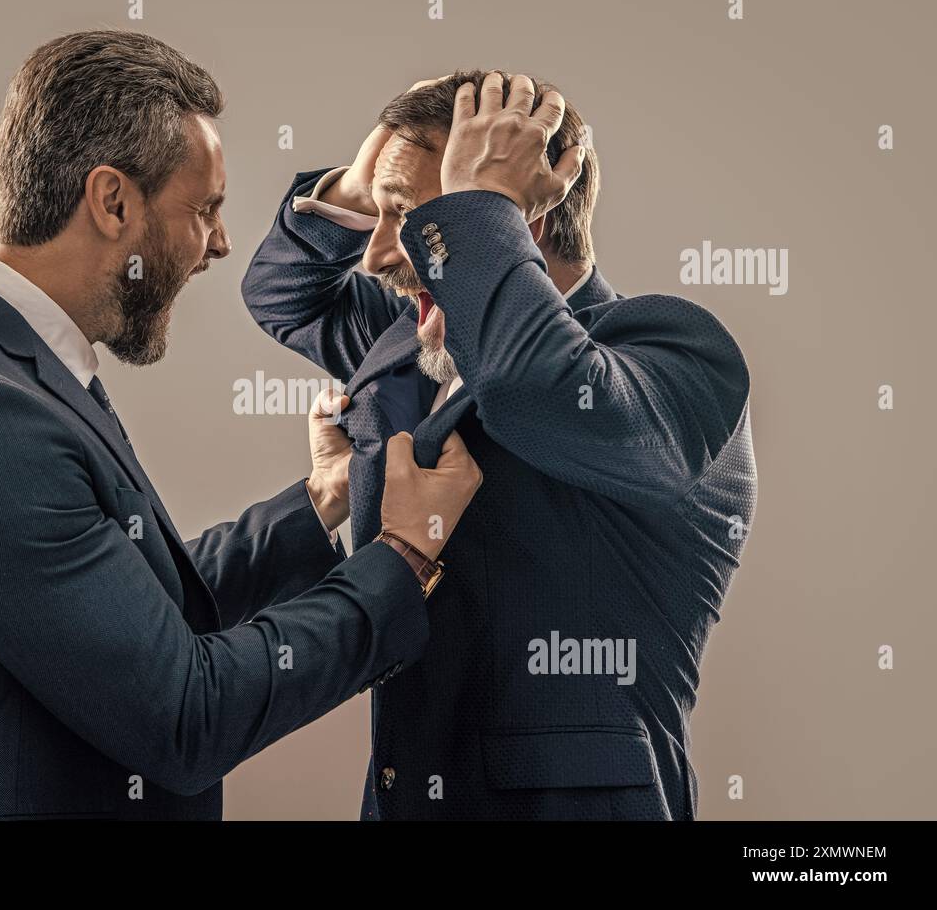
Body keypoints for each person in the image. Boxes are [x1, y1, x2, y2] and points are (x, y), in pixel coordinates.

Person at [0, 31, 480, 820]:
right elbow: (187, 716)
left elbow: (134, 615)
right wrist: (401, 555)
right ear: (112, 201)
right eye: (205, 210)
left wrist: (321, 498)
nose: (220, 244)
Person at [243, 71, 757, 819]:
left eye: (415, 219)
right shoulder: (418, 340)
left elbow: (529, 386)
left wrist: (482, 205)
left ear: (523, 219)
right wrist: (359, 188)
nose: (379, 254)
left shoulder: (672, 355)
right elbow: (282, 293)